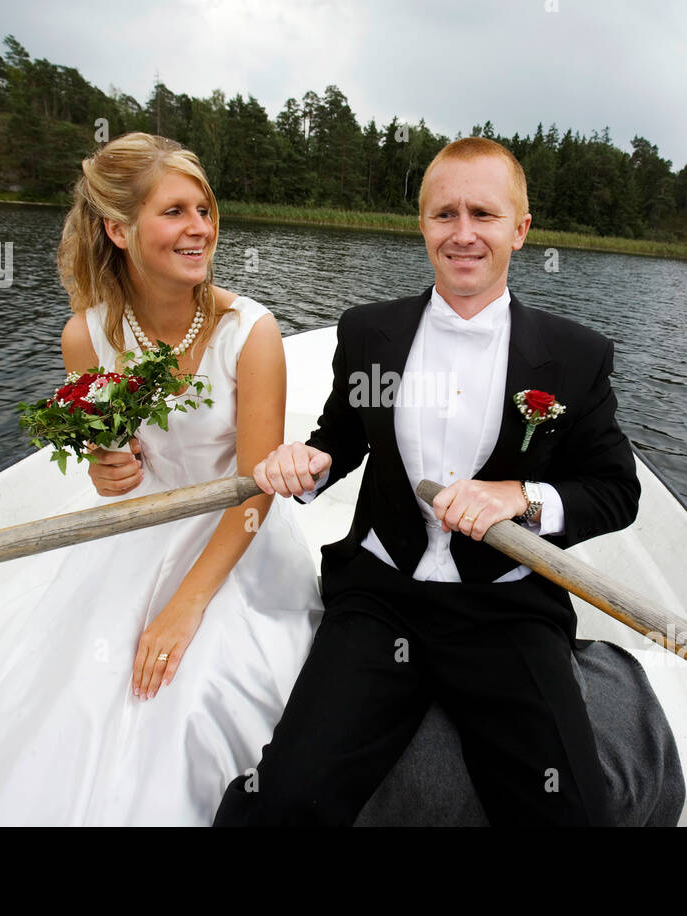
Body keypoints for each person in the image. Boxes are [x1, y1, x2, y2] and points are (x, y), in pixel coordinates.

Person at [0, 133, 321, 826]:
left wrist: (185, 607)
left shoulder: (249, 332)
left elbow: (254, 489)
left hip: (234, 539)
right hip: (133, 534)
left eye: (204, 209)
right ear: (118, 228)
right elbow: (114, 463)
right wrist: (112, 467)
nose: (200, 228)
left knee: (188, 695)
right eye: (175, 212)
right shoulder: (88, 337)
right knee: (60, 693)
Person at [214, 137, 655, 826]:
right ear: (422, 224)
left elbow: (616, 492)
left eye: (483, 213)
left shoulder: (576, 356)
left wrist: (520, 497)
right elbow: (342, 440)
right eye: (443, 214)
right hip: (382, 597)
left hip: (506, 607)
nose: (463, 233)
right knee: (283, 803)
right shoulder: (368, 333)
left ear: (521, 228)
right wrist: (306, 466)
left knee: (569, 814)